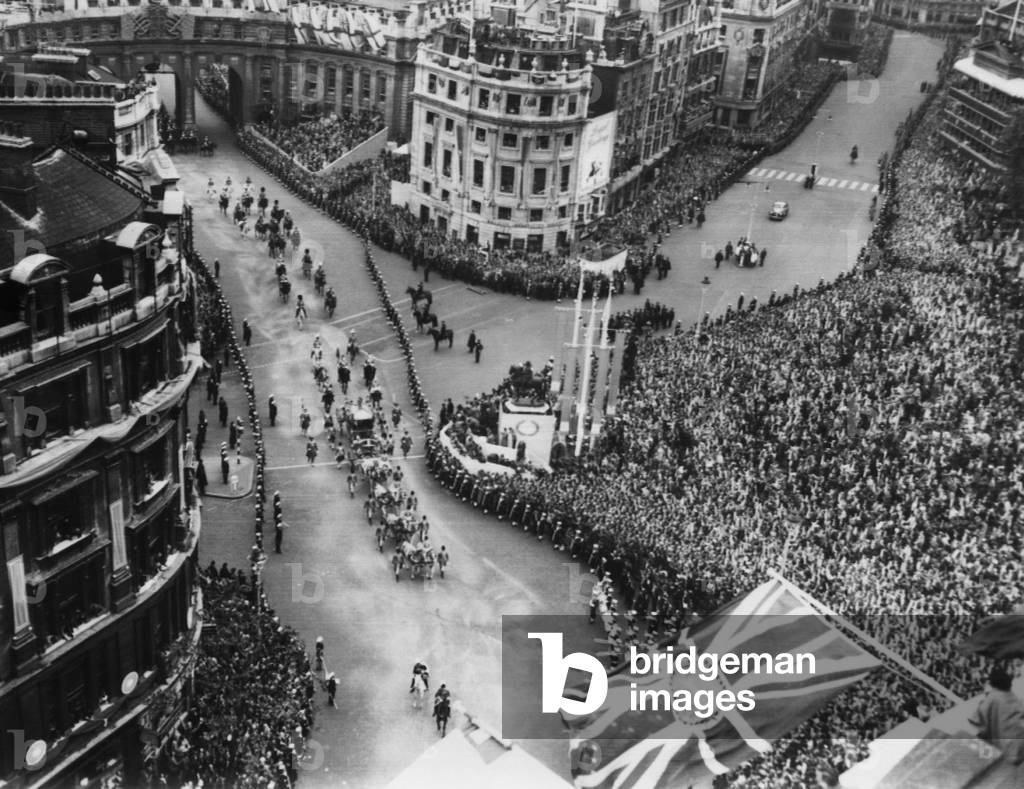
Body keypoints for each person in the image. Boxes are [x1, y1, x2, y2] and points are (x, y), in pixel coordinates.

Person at [968, 666, 1024, 765]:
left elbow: (978, 725)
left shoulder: (989, 700)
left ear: (992, 684)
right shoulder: (1014, 698)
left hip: (1005, 752)